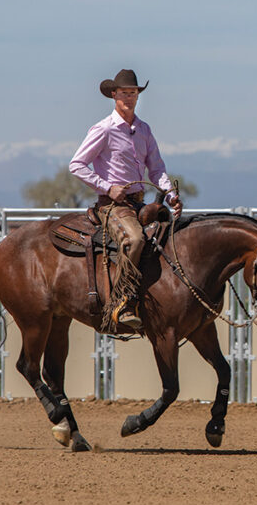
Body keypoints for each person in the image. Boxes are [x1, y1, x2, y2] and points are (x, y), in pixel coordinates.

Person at [69, 68, 183, 329]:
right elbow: (76, 164)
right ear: (114, 95)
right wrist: (108, 188)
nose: (129, 98)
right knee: (134, 239)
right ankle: (121, 302)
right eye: (124, 93)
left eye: (133, 93)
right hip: (113, 205)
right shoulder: (103, 129)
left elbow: (156, 169)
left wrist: (172, 195)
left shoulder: (143, 130)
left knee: (170, 236)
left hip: (139, 202)